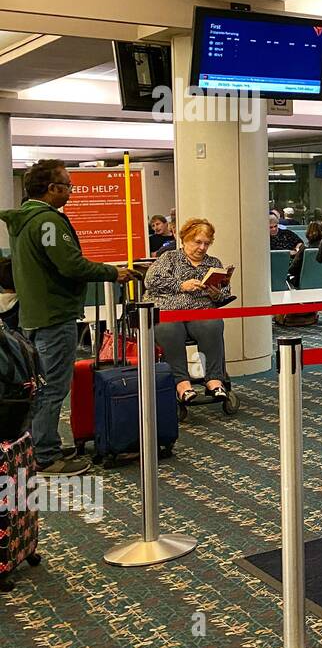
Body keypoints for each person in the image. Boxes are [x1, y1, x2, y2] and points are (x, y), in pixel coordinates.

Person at [0, 159, 134, 475]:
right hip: (54, 316)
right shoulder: (47, 223)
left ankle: (35, 447)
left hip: (34, 315)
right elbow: (70, 265)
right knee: (52, 388)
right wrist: (113, 272)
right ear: (52, 189)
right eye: (68, 185)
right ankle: (45, 456)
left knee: (38, 385)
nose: (71, 192)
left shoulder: (23, 221)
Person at [144, 218, 234, 403]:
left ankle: (215, 380)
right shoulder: (169, 258)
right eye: (197, 242)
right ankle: (182, 383)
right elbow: (150, 281)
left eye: (206, 243)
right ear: (184, 239)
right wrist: (181, 285)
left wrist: (216, 293)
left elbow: (225, 294)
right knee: (169, 330)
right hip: (169, 310)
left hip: (200, 310)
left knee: (213, 325)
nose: (202, 247)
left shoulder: (213, 262)